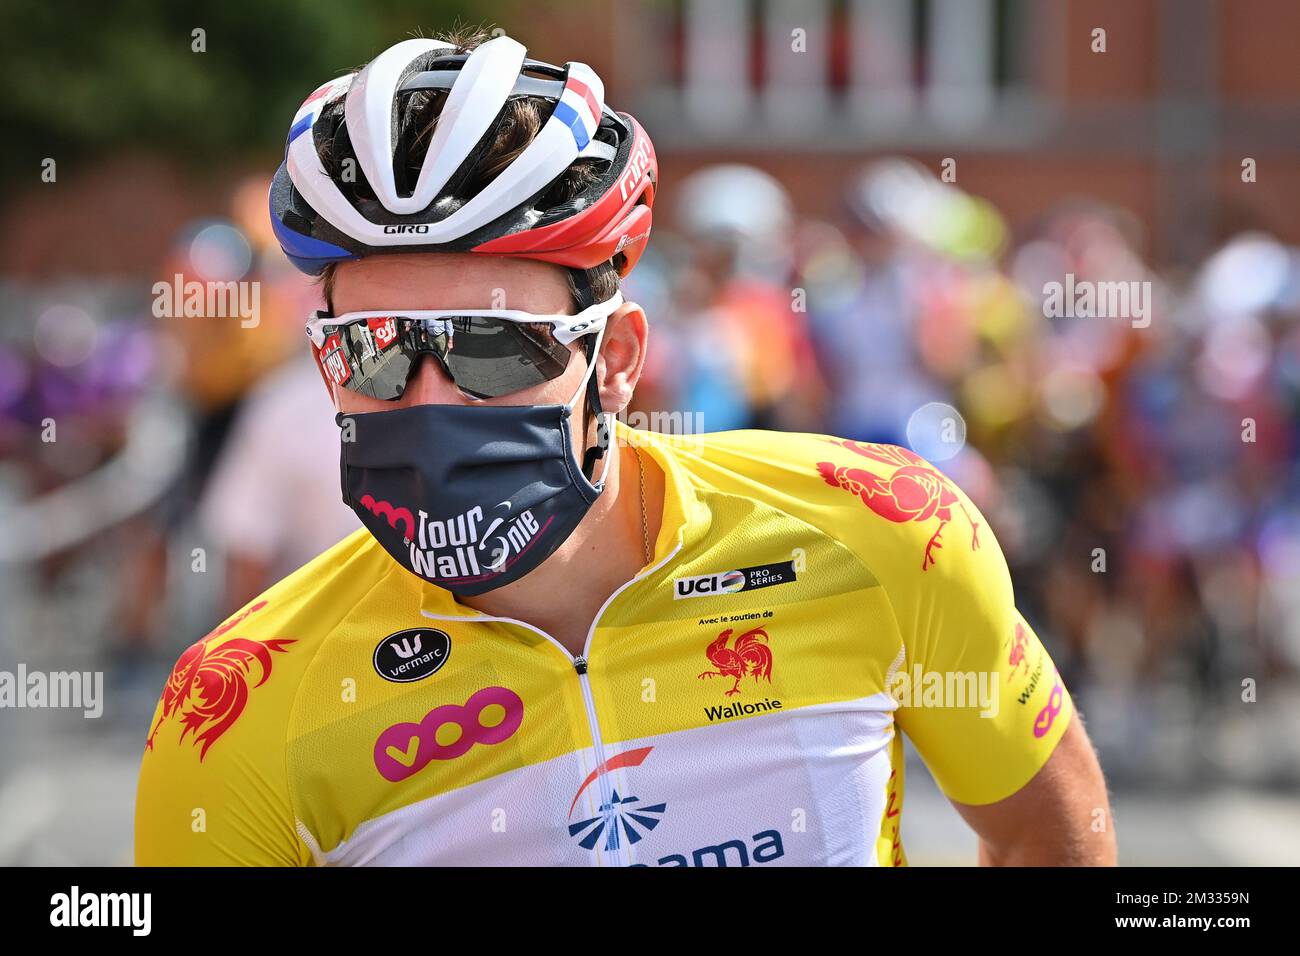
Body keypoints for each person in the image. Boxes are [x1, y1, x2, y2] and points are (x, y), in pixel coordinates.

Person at [134, 28, 1114, 867]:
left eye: (488, 344)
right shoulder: (235, 712)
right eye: (374, 349)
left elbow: (1050, 836)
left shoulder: (885, 530)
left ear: (617, 360)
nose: (427, 400)